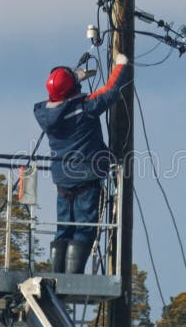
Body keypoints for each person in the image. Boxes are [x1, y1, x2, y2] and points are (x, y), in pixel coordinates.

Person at [33, 54, 129, 274]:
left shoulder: (44, 114)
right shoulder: (85, 109)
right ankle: (72, 277)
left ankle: (57, 276)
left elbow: (61, 99)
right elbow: (111, 91)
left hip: (62, 180)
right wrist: (121, 64)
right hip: (85, 176)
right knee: (85, 229)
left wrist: (75, 80)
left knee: (64, 229)